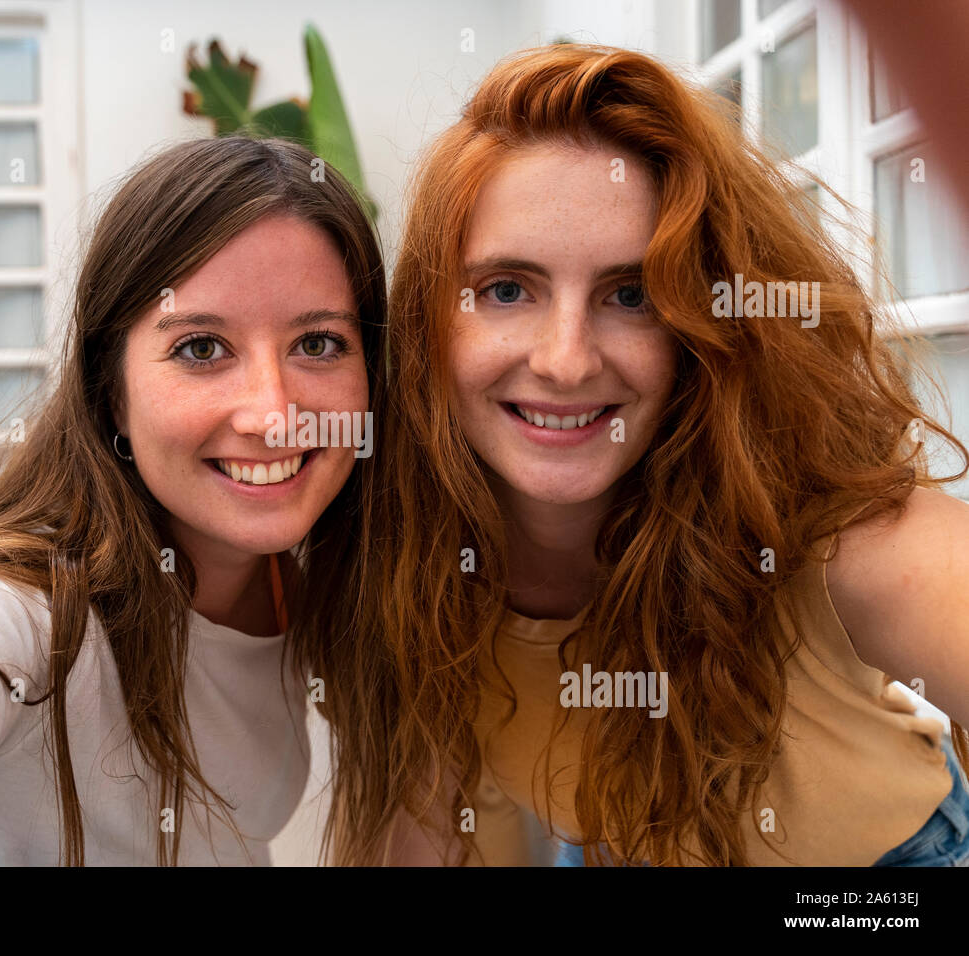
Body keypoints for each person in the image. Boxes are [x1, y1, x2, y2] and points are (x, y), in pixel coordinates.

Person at [355, 43, 969, 867]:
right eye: (508, 290)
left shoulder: (818, 533)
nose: (565, 361)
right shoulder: (410, 549)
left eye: (631, 294)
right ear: (431, 321)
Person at [0, 135, 387, 865]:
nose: (273, 414)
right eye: (201, 348)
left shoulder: (304, 584)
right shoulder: (26, 605)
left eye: (318, 344)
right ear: (111, 390)